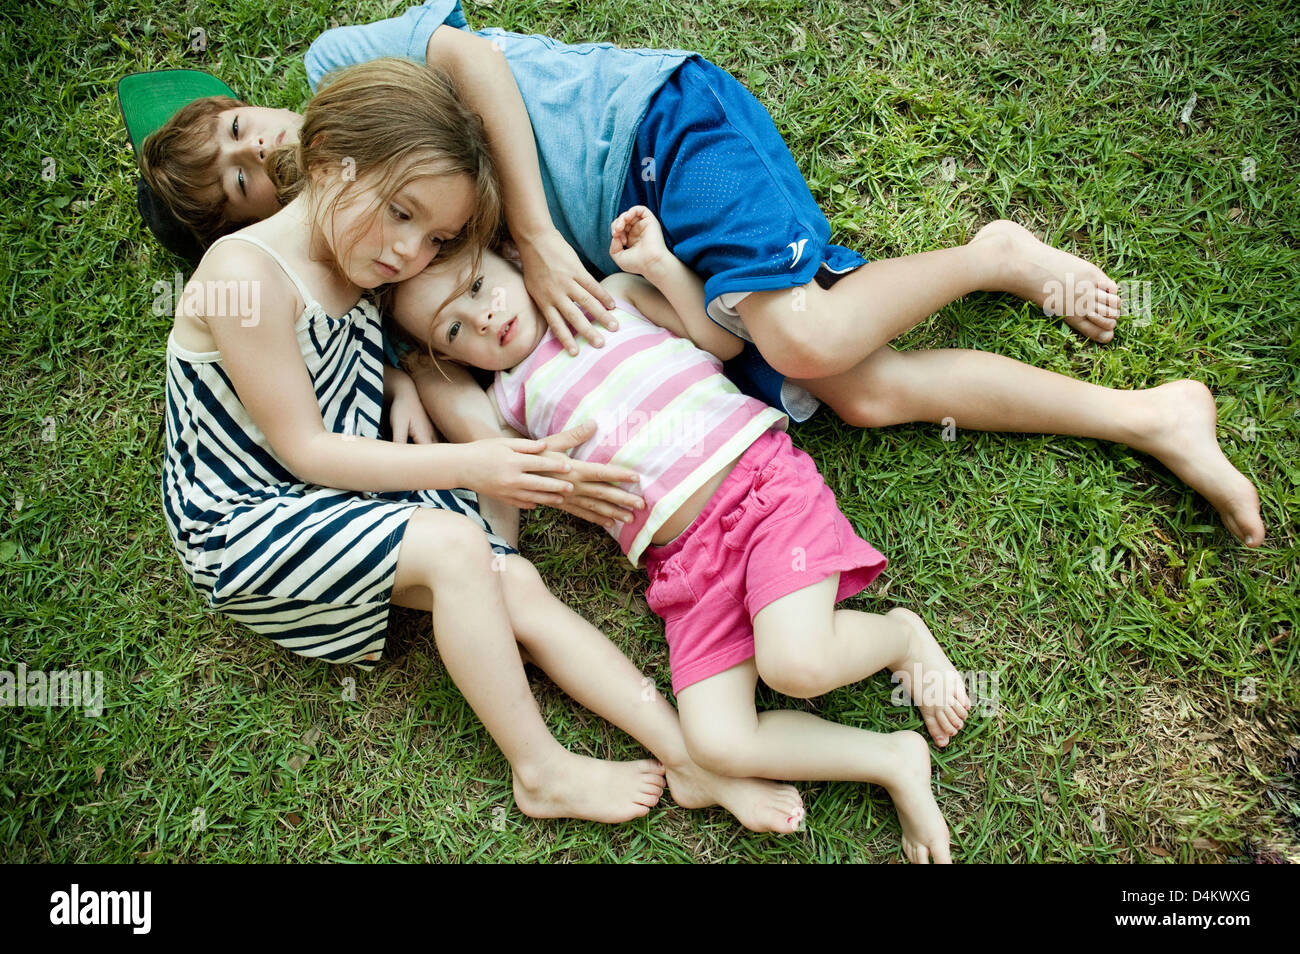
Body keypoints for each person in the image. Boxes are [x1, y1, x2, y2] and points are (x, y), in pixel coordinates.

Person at [136, 2, 1266, 547]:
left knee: (809, 342)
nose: (259, 154)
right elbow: (414, 385)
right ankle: (1148, 415)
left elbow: (470, 58)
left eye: (239, 128)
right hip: (646, 254)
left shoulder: (343, 69)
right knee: (863, 393)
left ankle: (990, 253)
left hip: (649, 133)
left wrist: (533, 238)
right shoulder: (365, 255)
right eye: (242, 183)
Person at [161, 56, 804, 830]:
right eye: (401, 213)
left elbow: (340, 353)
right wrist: (476, 461)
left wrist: (396, 380)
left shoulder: (357, 244)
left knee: (516, 584)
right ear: (329, 157)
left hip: (344, 478)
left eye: (433, 237)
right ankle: (540, 770)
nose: (406, 251)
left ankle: (689, 759)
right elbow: (302, 448)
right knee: (457, 552)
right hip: (248, 514)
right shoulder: (244, 271)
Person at [390, 205, 975, 863]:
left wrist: (660, 266)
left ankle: (899, 634)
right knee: (717, 743)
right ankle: (892, 759)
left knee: (796, 665)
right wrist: (411, 370)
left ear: (512, 254)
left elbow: (720, 342)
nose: (487, 318)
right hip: (682, 567)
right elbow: (474, 438)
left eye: (477, 287)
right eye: (456, 329)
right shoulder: (506, 409)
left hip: (759, 493)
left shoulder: (603, 296)